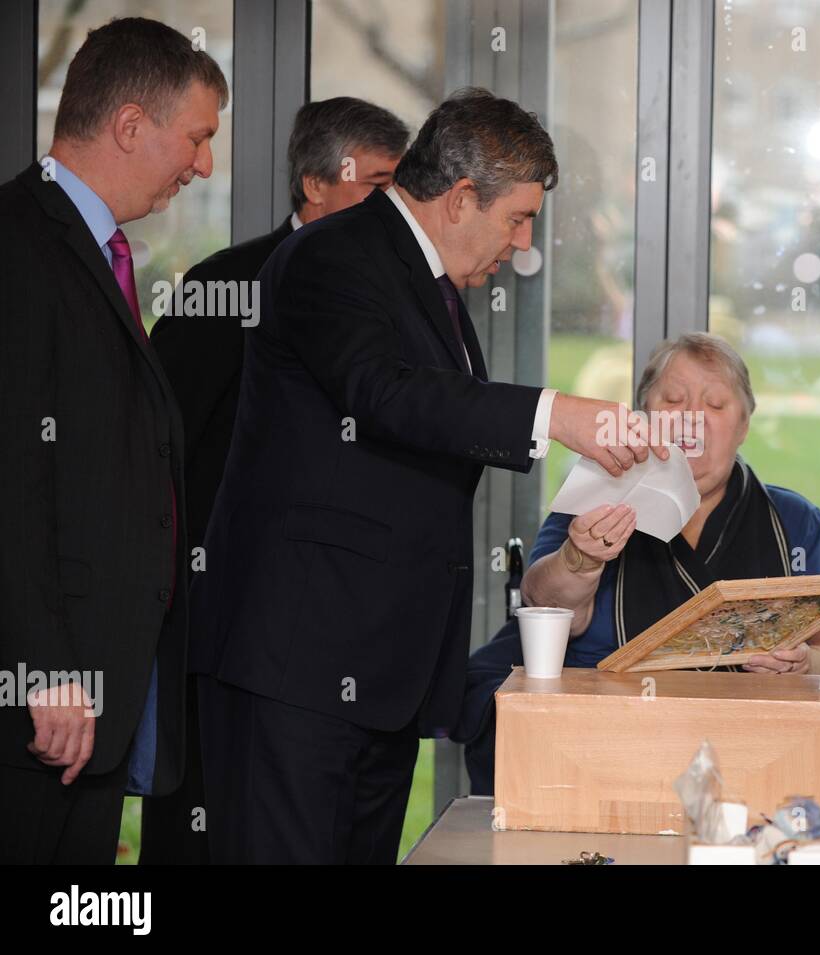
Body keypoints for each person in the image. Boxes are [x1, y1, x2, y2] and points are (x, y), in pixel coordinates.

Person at [190, 87, 665, 864]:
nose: (523, 242)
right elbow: (384, 393)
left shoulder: (425, 277)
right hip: (297, 662)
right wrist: (556, 413)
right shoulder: (330, 254)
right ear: (460, 196)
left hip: (380, 668)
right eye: (516, 218)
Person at [141, 97, 409, 865]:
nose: (395, 203)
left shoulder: (405, 301)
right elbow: (163, 454)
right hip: (227, 628)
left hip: (353, 637)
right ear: (315, 183)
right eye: (379, 182)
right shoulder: (224, 287)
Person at [456, 332, 820, 794]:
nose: (693, 420)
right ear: (643, 418)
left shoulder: (793, 521)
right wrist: (580, 559)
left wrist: (809, 661)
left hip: (752, 749)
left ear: (744, 425)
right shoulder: (595, 504)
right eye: (674, 401)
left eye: (716, 405)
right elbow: (548, 606)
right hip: (605, 744)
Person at [0, 17, 227, 864]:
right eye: (198, 137)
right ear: (132, 126)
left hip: (97, 700)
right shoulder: (19, 246)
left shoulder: (99, 251)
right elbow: (13, 479)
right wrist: (46, 671)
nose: (203, 165)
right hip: (46, 702)